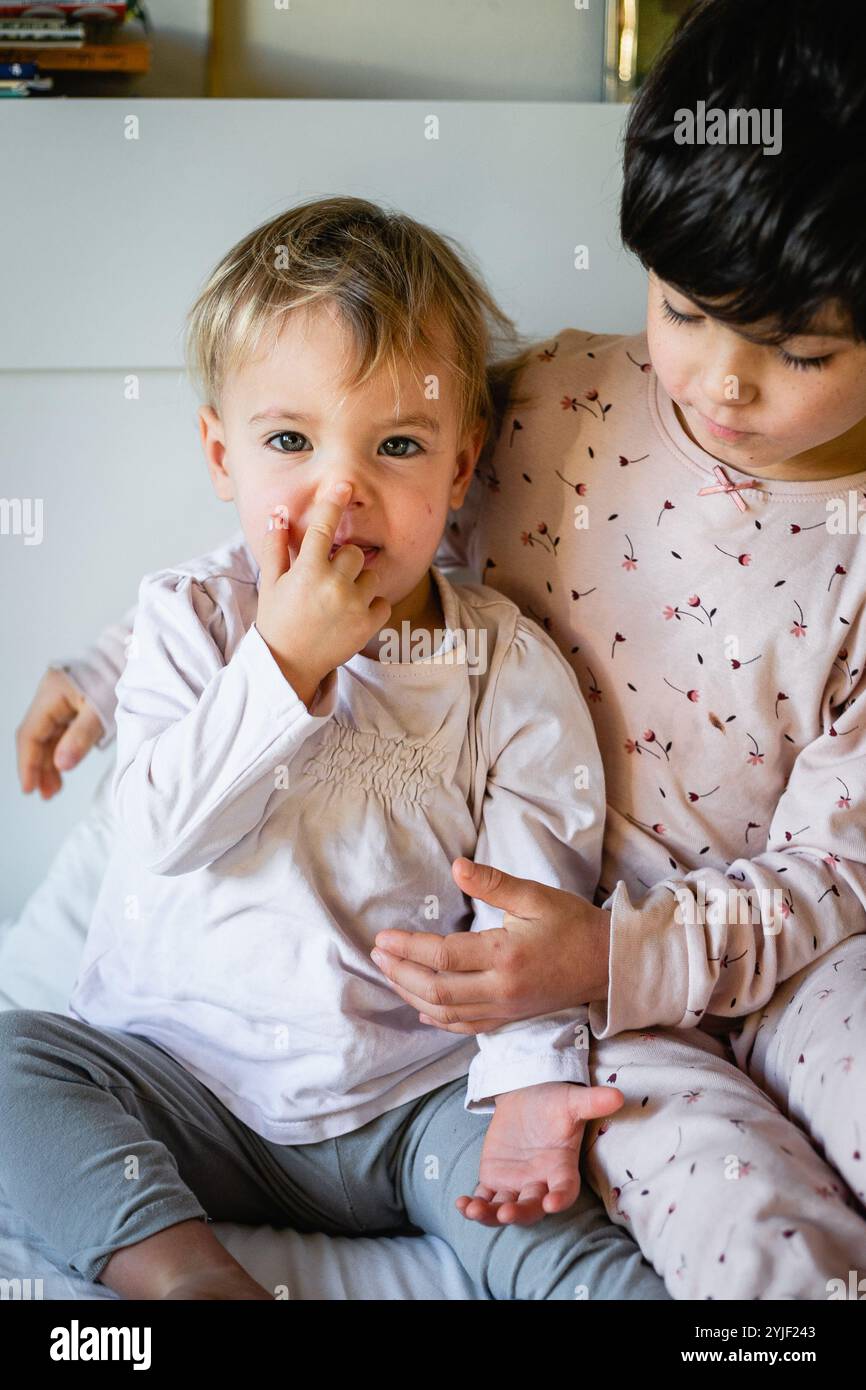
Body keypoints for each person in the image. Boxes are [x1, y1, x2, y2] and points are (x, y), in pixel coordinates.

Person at [13, 0, 866, 1297]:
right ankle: (185, 1272)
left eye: (798, 350)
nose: (724, 384)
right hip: (361, 1031)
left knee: (709, 1152)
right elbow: (198, 763)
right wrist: (145, 665)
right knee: (14, 1068)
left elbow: (730, 877)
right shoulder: (542, 408)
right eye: (686, 312)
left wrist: (568, 1019)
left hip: (583, 1025)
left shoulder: (550, 655)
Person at [2, 193, 668, 1302]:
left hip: (410, 1106)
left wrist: (528, 1096)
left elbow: (529, 910)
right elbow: (159, 829)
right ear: (224, 456)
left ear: (458, 474)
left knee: (546, 1216)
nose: (340, 489)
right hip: (181, 1089)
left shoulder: (506, 669)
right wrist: (282, 660)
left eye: (396, 445)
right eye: (289, 441)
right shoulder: (191, 623)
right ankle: (183, 1275)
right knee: (15, 1063)